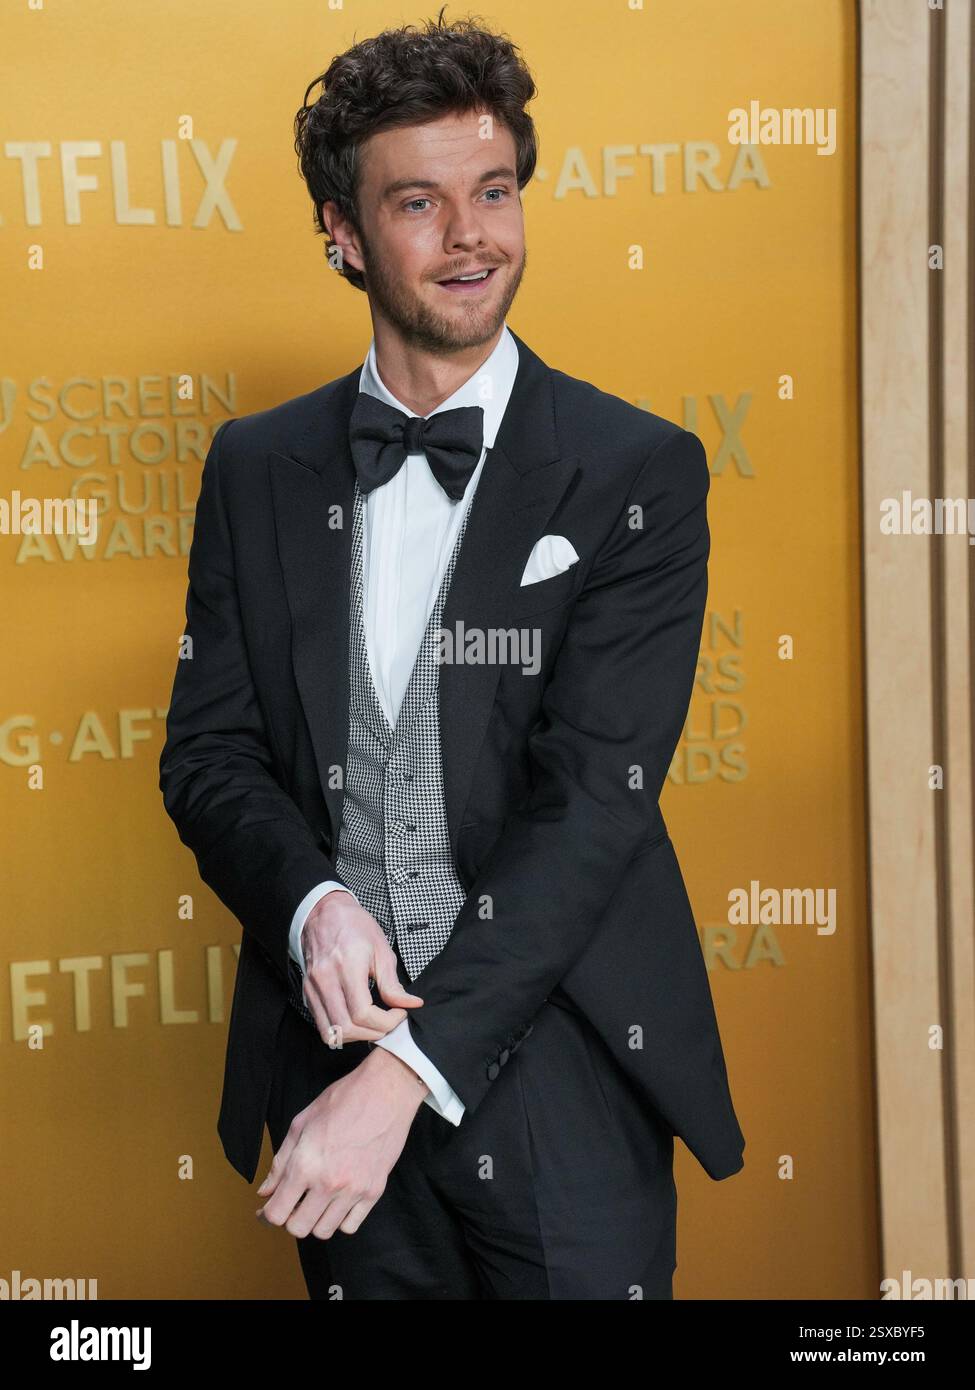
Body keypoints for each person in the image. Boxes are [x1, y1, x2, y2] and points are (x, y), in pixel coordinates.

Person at [159, 10, 744, 1301]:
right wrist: (313, 905)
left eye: (495, 192)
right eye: (419, 202)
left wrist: (403, 1082)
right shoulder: (256, 468)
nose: (471, 235)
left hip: (566, 1068)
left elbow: (593, 804)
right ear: (342, 232)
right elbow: (208, 755)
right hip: (332, 1050)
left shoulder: (636, 469)